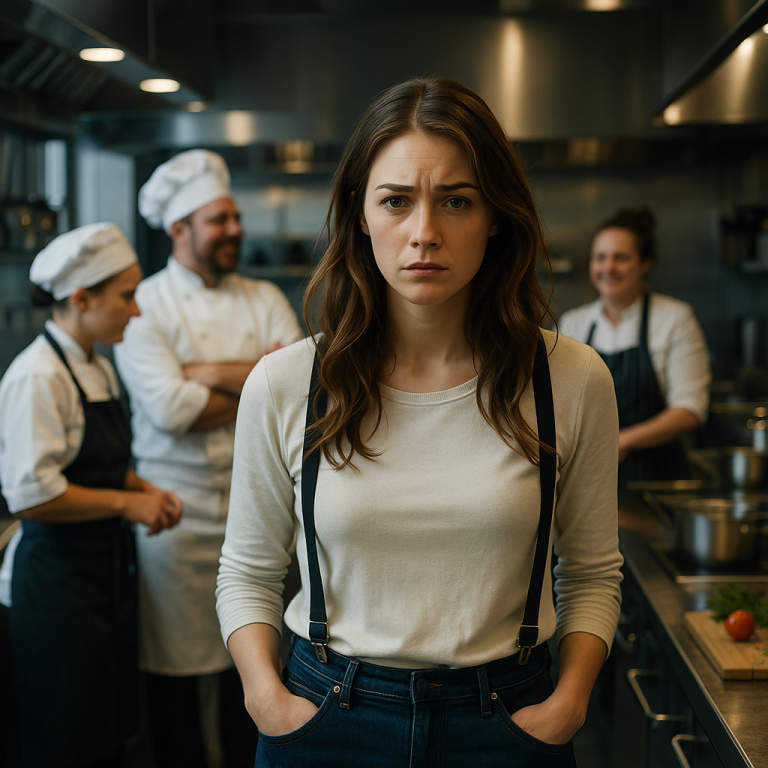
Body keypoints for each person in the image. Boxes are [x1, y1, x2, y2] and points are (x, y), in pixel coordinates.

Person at [216, 77, 624, 767]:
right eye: (397, 201)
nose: (425, 233)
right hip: (324, 721)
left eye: (456, 201)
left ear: (496, 215)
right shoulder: (286, 383)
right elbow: (248, 573)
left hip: (508, 721)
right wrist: (266, 699)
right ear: (361, 212)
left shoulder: (572, 378)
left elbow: (589, 573)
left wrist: (569, 703)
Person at [114, 149, 303, 768]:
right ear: (179, 230)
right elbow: (171, 409)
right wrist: (257, 380)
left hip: (260, 510)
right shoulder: (143, 305)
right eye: (218, 220)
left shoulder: (264, 295)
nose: (234, 230)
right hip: (174, 516)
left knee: (248, 673)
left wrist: (203, 377)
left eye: (234, 218)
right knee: (171, 679)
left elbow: (295, 393)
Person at [0, 223, 183, 768]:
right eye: (127, 297)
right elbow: (33, 496)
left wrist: (146, 489)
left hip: (101, 574)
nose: (137, 312)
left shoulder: (96, 366)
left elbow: (97, 465)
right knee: (65, 735)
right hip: (55, 587)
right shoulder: (38, 375)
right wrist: (129, 505)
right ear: (81, 299)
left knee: (108, 727)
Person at [559, 208, 711, 485]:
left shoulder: (675, 319)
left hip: (657, 480)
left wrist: (622, 442)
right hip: (587, 476)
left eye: (622, 258)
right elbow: (560, 405)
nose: (608, 268)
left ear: (645, 263)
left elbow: (690, 410)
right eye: (600, 258)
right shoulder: (573, 323)